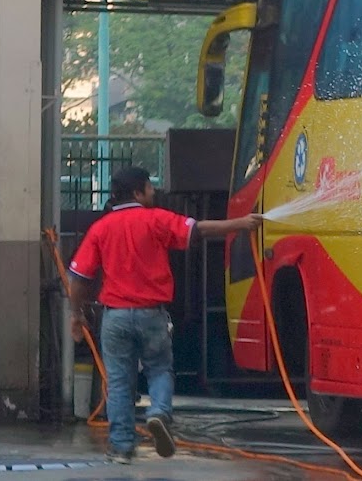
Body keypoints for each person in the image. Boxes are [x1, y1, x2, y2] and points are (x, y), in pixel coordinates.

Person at [67, 165, 264, 464]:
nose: (154, 191)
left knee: (119, 383)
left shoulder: (101, 228)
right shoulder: (156, 219)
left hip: (115, 317)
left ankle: (121, 448)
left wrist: (76, 313)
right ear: (137, 192)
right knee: (159, 369)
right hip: (152, 315)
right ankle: (158, 412)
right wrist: (241, 223)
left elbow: (79, 278)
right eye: (149, 187)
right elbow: (199, 229)